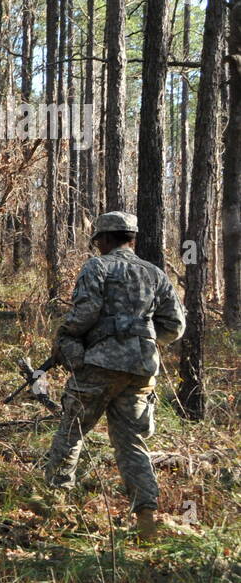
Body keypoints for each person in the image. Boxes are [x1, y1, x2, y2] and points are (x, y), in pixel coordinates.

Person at [42, 211, 185, 539]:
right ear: (131, 239)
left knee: (72, 431)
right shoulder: (155, 274)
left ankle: (55, 508)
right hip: (141, 371)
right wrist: (142, 340)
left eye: (99, 241)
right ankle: (147, 519)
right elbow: (174, 327)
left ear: (104, 240)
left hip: (99, 367)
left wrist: (67, 336)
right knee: (131, 443)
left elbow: (85, 313)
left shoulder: (97, 267)